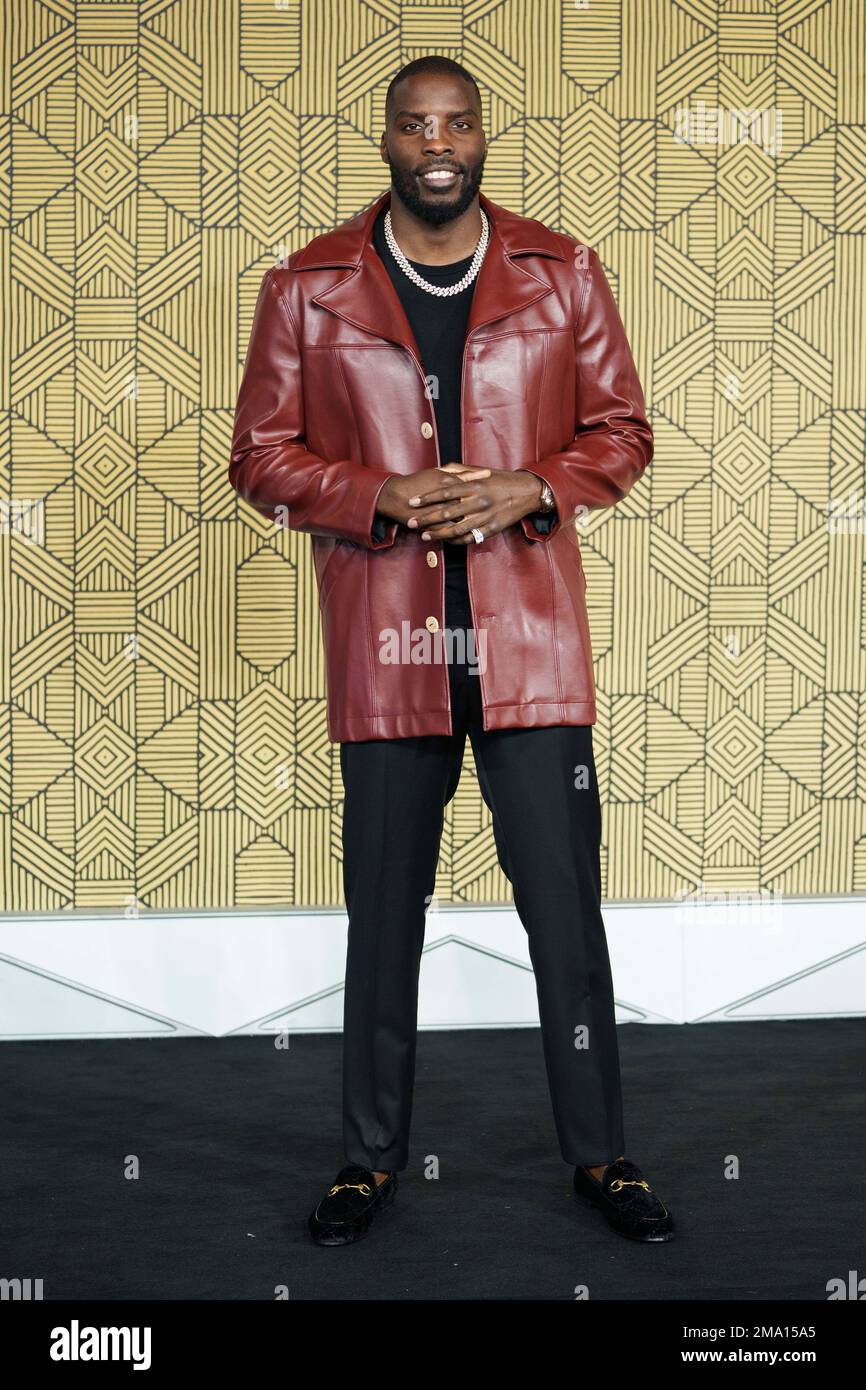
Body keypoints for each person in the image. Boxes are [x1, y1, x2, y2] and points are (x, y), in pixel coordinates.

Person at [229, 55, 674, 1247]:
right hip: (388, 648)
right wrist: (383, 494)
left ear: (483, 137)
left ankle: (601, 1156)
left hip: (530, 647)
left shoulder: (561, 269)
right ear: (383, 138)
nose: (438, 142)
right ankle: (367, 1162)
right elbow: (260, 460)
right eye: (415, 124)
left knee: (565, 916)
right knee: (382, 915)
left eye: (457, 122)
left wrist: (529, 483)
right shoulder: (307, 287)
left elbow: (622, 428)